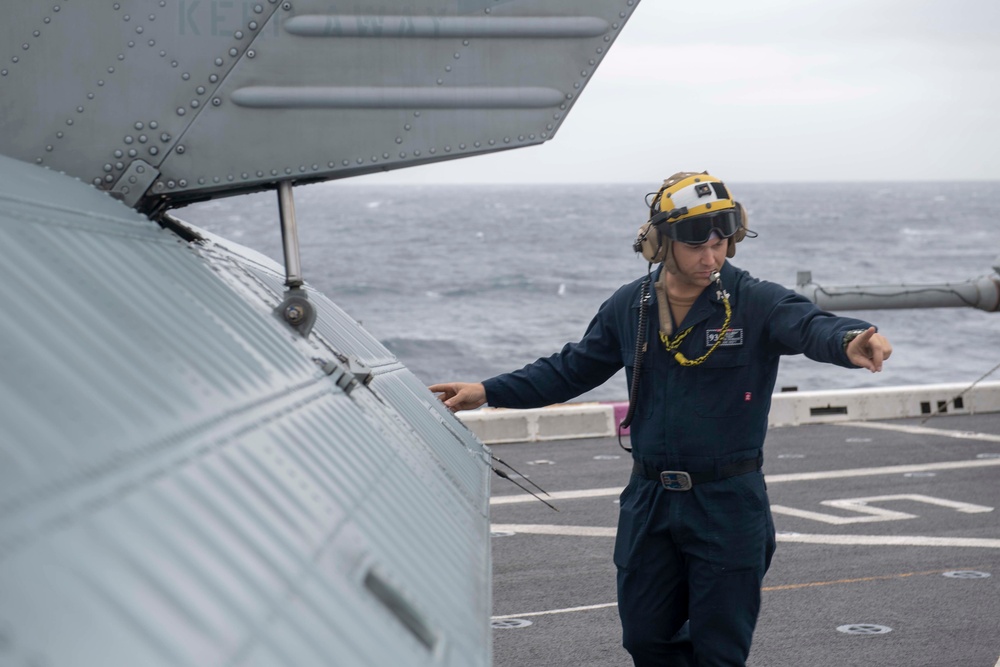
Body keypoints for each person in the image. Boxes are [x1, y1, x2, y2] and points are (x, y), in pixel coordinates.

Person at [429, 172, 892, 667]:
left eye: (719, 244)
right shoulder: (630, 305)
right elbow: (571, 369)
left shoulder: (756, 301)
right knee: (646, 639)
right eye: (696, 246)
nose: (710, 258)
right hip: (650, 502)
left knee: (718, 653)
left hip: (727, 503)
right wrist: (487, 391)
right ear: (659, 242)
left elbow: (810, 325)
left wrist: (849, 341)